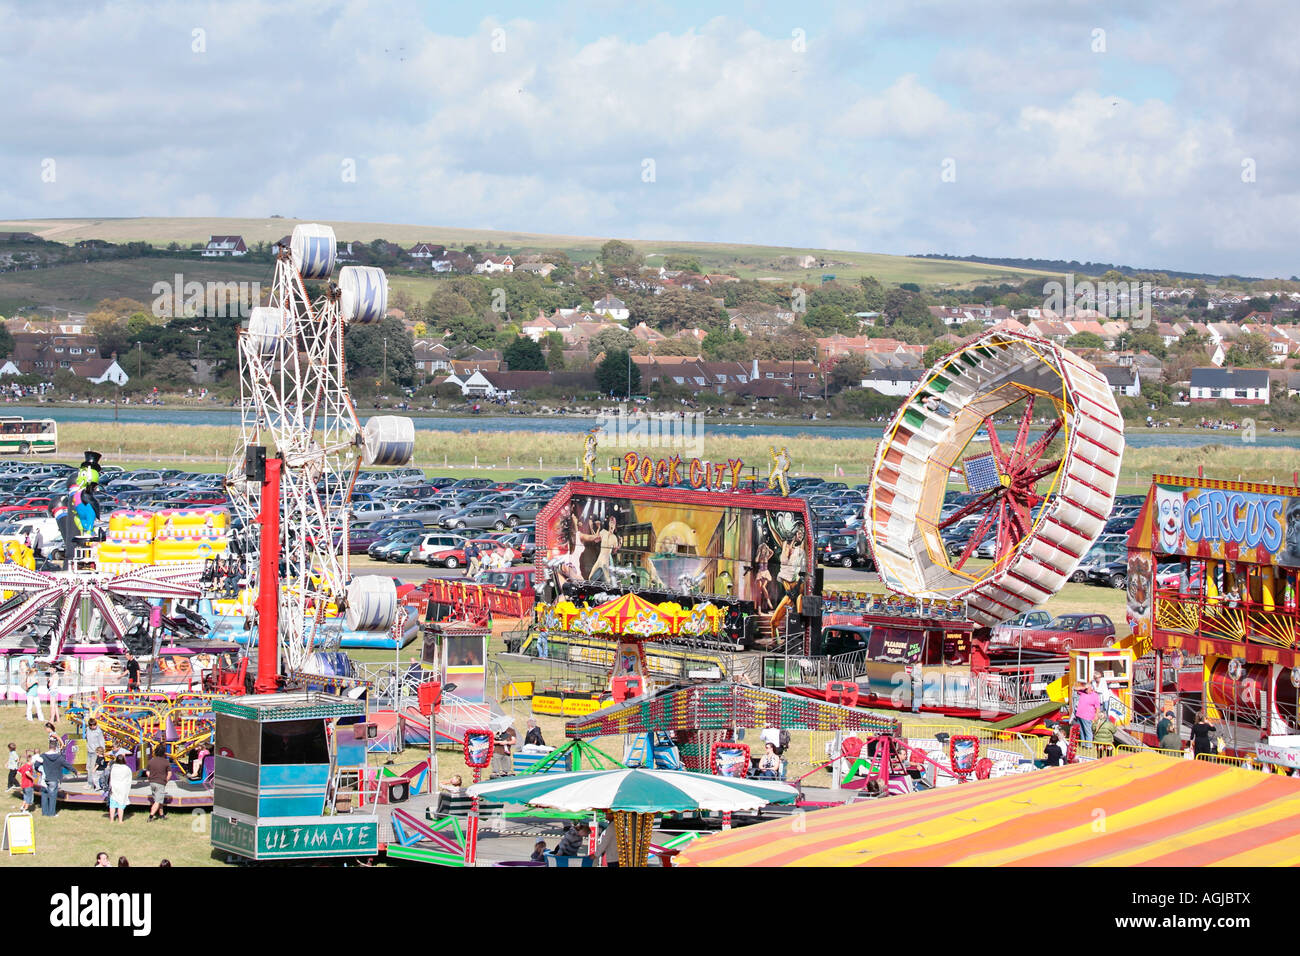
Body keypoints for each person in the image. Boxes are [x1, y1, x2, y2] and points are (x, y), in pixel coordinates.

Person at [38, 741, 68, 817]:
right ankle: (51, 813)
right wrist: (74, 771)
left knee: (44, 795)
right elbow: (65, 764)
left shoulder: (43, 757)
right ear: (55, 748)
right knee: (52, 796)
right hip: (53, 778)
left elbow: (36, 765)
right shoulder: (58, 757)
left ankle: (44, 812)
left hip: (44, 779)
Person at [146, 746, 169, 821]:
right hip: (160, 783)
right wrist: (166, 780)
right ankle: (151, 816)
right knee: (158, 801)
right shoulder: (165, 762)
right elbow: (169, 773)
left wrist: (150, 778)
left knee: (158, 799)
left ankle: (162, 815)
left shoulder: (151, 761)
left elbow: (147, 771)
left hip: (152, 783)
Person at [108, 753, 132, 823]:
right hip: (122, 788)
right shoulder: (126, 769)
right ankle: (120, 820)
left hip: (114, 787)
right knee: (121, 804)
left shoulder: (113, 767)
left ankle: (111, 820)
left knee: (112, 804)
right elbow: (129, 779)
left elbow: (110, 778)